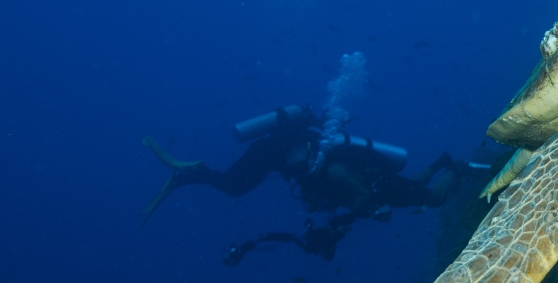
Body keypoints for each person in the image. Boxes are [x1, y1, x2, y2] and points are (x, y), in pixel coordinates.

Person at [141, 105, 465, 265]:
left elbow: (386, 192)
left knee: (422, 193)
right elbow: (364, 194)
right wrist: (348, 218)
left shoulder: (330, 168)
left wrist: (346, 218)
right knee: (433, 197)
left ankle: (445, 163)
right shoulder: (336, 171)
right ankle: (458, 167)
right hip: (273, 152)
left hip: (272, 152)